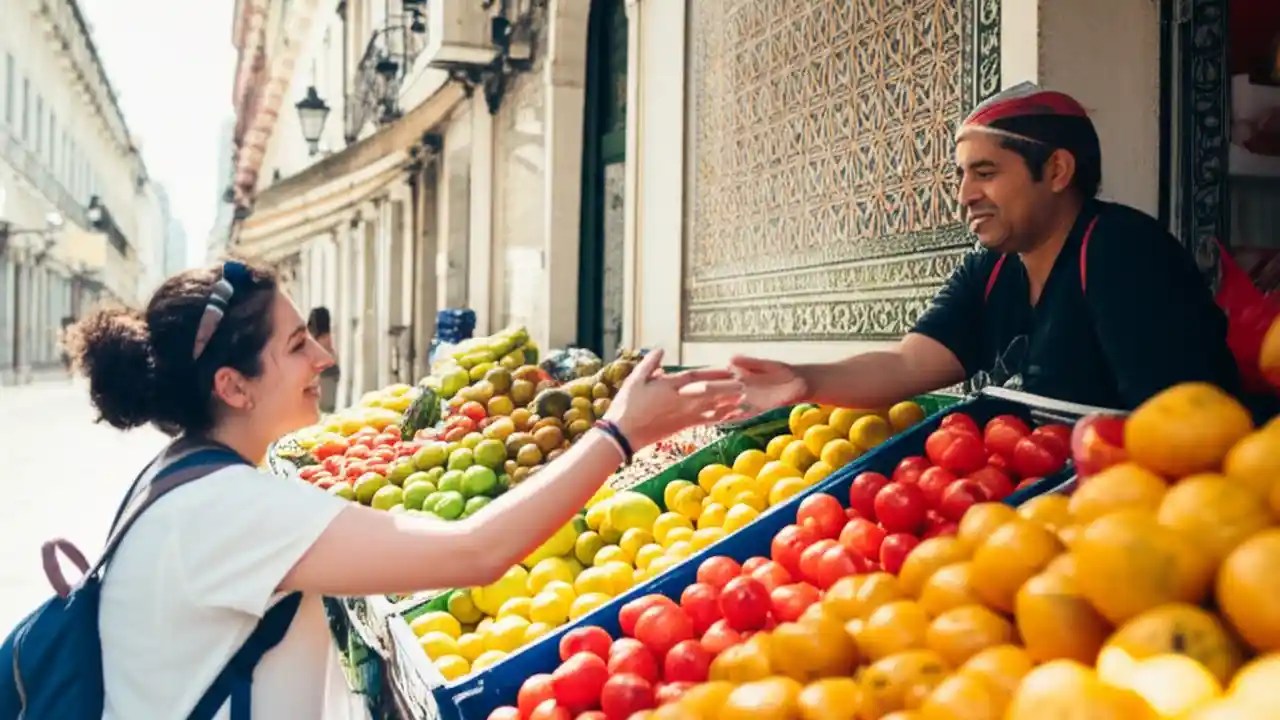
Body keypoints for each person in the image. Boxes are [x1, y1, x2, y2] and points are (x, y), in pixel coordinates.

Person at [67, 260, 743, 718]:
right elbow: (473, 553)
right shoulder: (234, 508)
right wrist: (620, 434)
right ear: (232, 386)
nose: (324, 359)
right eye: (298, 345)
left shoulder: (178, 481)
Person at [731, 82, 1243, 416]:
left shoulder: (1122, 252)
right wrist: (802, 380)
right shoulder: (990, 272)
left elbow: (1173, 425)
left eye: (986, 172)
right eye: (962, 175)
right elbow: (908, 365)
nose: (965, 195)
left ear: (1058, 171)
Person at [307, 307, 340, 413]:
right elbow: (330, 354)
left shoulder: (308, 335)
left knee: (317, 406)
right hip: (328, 373)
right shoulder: (326, 336)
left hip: (315, 372)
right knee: (327, 407)